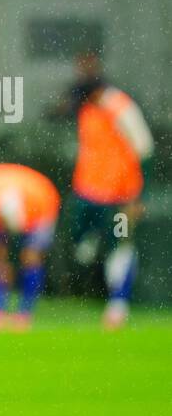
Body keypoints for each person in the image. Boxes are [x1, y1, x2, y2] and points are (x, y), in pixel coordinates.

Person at [68, 83, 152, 330]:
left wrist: (138, 195)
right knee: (82, 243)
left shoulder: (119, 107)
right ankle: (92, 242)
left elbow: (144, 148)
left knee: (121, 242)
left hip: (121, 196)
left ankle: (118, 304)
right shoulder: (87, 111)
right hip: (89, 193)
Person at [0, 164, 61, 332]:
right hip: (15, 202)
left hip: (40, 205)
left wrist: (5, 250)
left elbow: (15, 229)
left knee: (31, 257)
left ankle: (24, 313)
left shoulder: (6, 204)